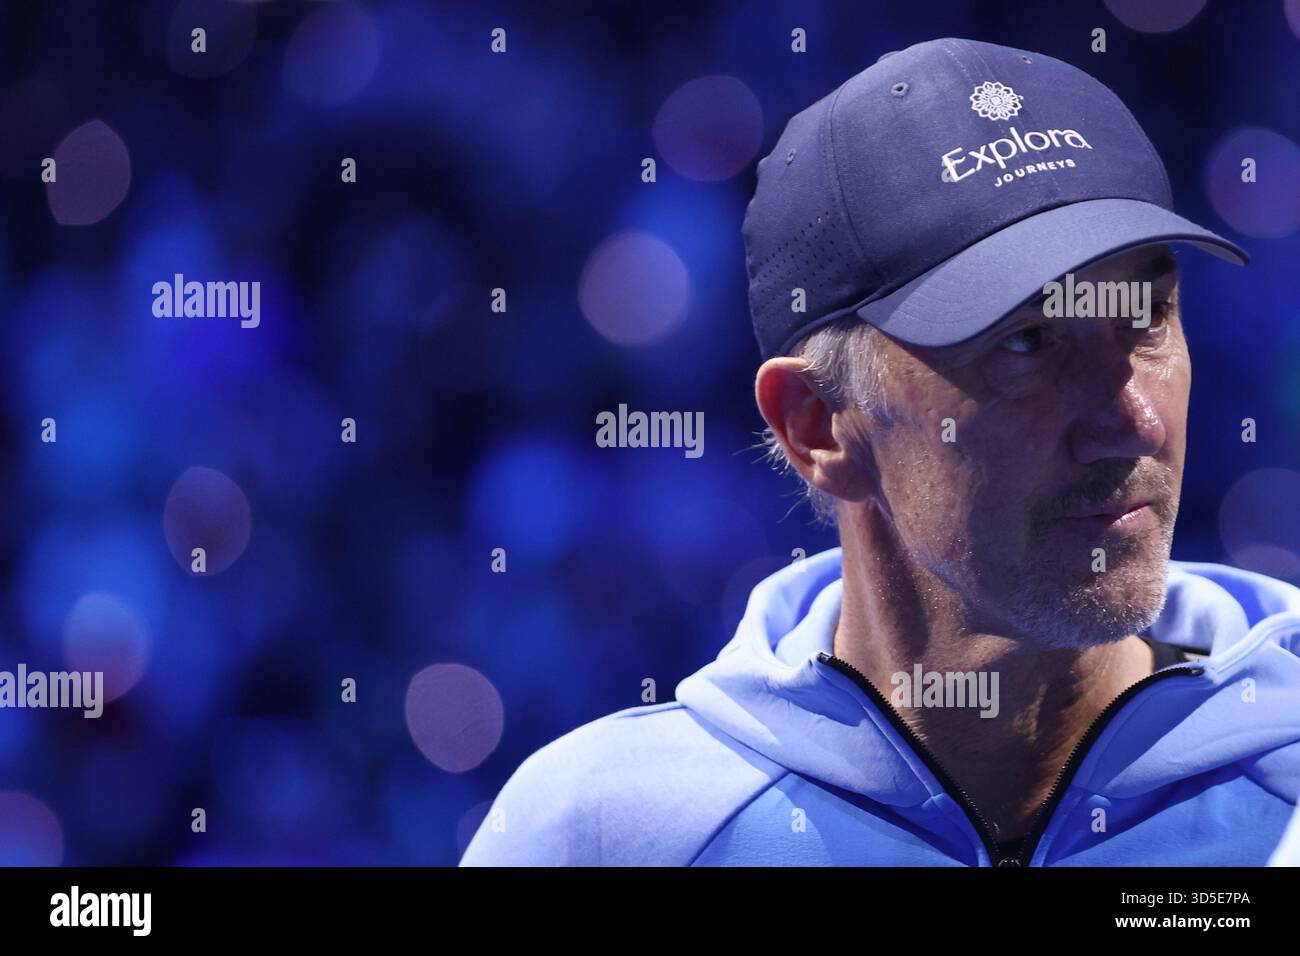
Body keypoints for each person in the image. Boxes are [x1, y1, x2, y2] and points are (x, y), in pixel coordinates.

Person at [461, 37, 1300, 867]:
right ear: (818, 424)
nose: (1136, 421)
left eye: (1145, 320)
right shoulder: (602, 836)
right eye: (1028, 342)